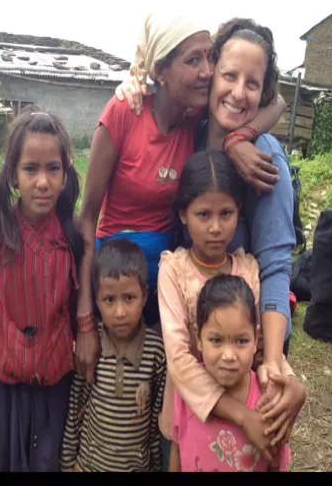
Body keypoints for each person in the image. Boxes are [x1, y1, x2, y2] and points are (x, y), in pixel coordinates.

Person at [75, 11, 285, 389]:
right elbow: (86, 216)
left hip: (172, 289)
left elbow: (277, 102)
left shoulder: (197, 121)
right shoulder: (127, 112)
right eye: (194, 60)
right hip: (117, 282)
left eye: (209, 58)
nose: (207, 71)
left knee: (159, 390)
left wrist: (241, 137)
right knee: (111, 391)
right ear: (160, 71)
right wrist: (85, 317)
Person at [158, 150, 306, 464]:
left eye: (225, 213)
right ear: (184, 213)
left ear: (239, 210)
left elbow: (258, 342)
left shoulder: (249, 270)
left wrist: (291, 383)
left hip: (246, 425)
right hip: (190, 411)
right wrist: (241, 416)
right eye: (203, 215)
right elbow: (179, 358)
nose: (215, 227)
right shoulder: (173, 271)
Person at [0, 107, 85, 472]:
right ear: (13, 176)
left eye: (53, 168)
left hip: (57, 390)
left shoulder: (72, 236)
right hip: (7, 393)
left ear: (65, 172)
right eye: (30, 169)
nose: (43, 182)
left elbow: (79, 305)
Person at [60, 238, 166, 472]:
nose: (120, 312)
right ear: (97, 301)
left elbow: (156, 422)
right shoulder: (91, 347)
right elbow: (76, 406)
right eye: (109, 300)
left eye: (129, 298)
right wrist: (67, 463)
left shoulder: (156, 351)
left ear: (145, 296)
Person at [170, 274, 291, 472]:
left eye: (241, 341)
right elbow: (177, 449)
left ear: (256, 337)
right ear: (198, 338)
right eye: (216, 340)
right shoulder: (186, 391)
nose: (228, 356)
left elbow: (276, 465)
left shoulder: (268, 400)